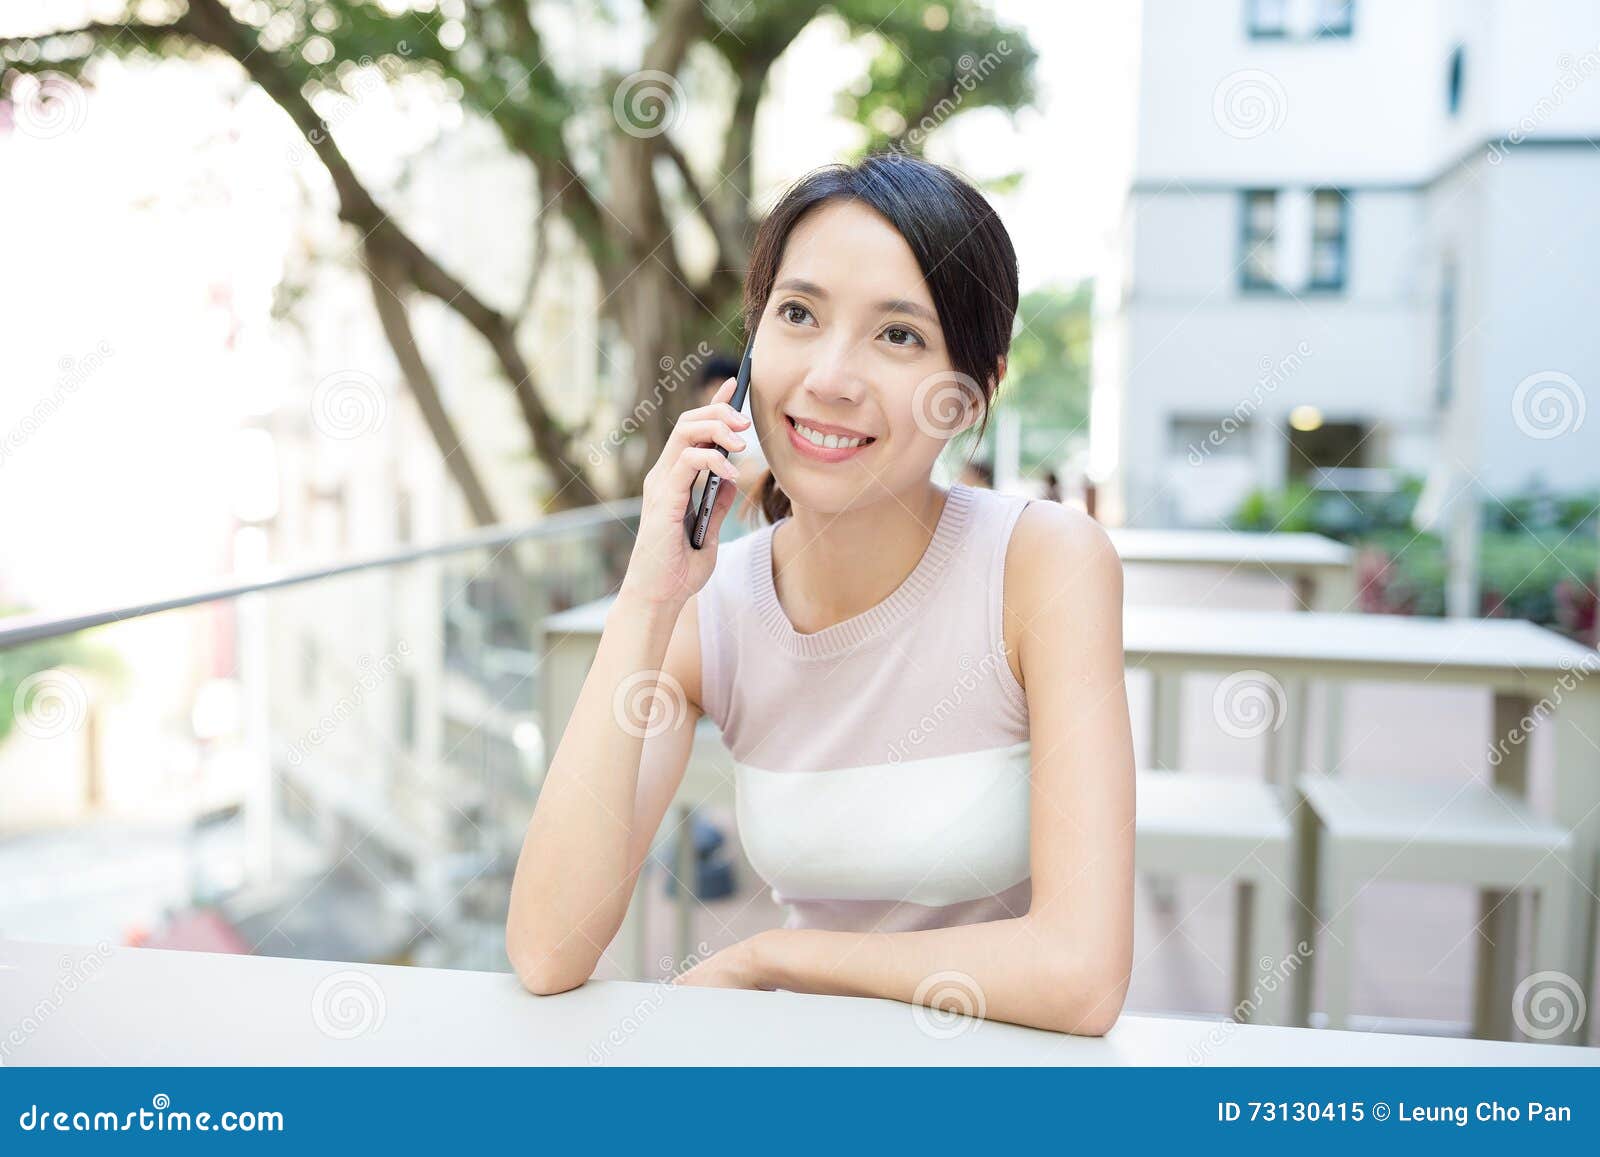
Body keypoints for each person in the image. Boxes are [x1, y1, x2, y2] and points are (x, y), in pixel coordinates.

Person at [506, 153, 1134, 1037]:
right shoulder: (714, 605)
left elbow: (1080, 974)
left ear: (972, 392)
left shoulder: (1043, 563)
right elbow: (547, 948)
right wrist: (649, 596)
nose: (830, 376)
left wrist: (778, 958)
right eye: (798, 315)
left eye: (899, 335)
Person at [693, 352, 765, 541]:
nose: (716, 395)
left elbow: (752, 472)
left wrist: (712, 473)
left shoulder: (746, 421)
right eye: (711, 388)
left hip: (746, 529)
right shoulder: (699, 425)